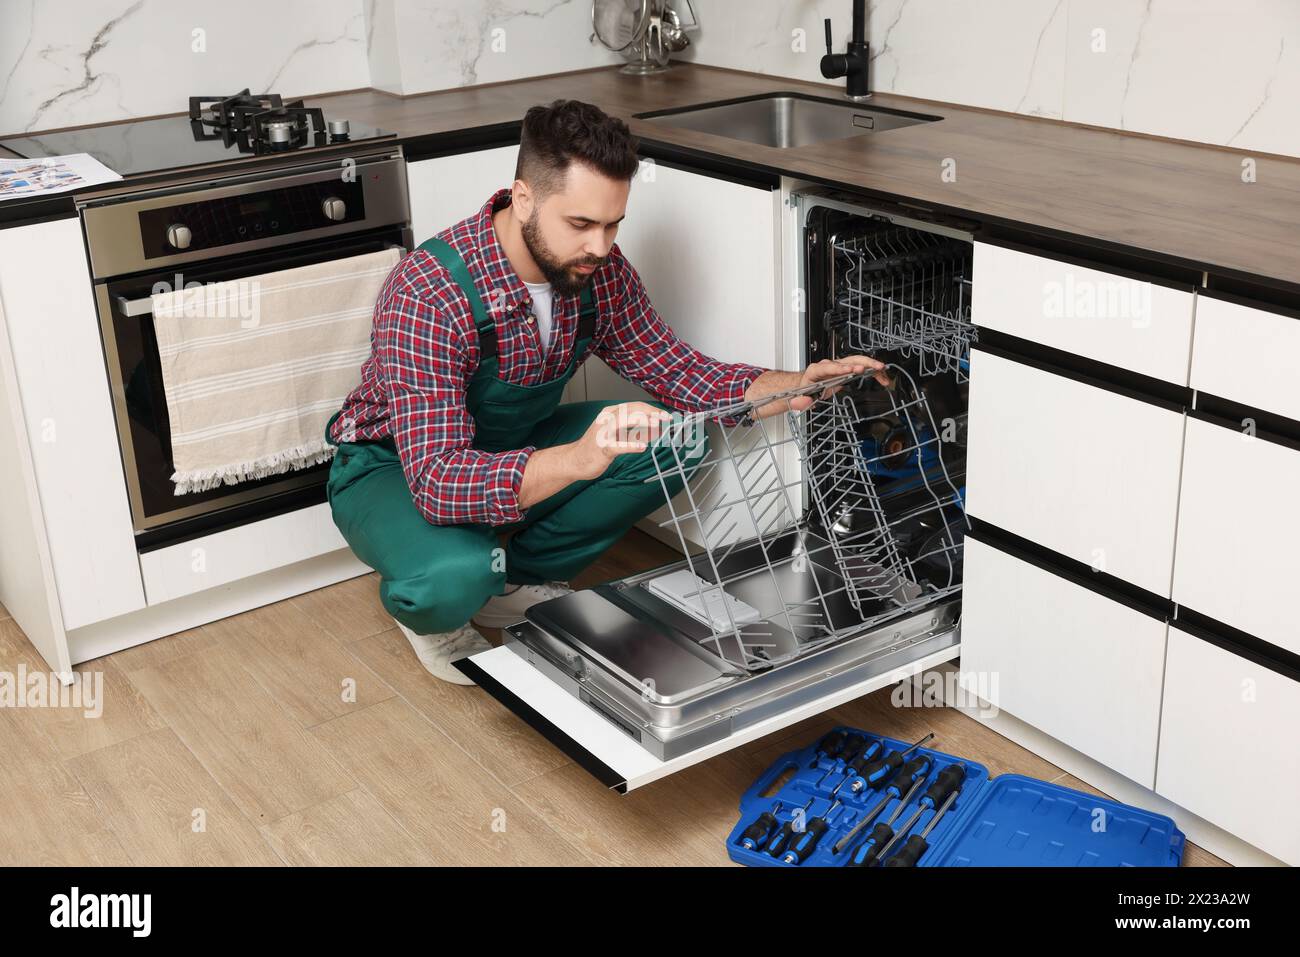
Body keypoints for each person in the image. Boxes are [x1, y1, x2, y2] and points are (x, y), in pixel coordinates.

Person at [324, 99, 887, 684]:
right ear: (523, 199)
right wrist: (579, 458)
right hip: (394, 466)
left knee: (679, 439)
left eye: (613, 223)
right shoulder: (430, 292)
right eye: (580, 224)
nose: (600, 245)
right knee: (451, 579)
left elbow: (673, 367)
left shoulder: (597, 269)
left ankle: (514, 575)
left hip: (508, 443)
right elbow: (438, 482)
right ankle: (442, 608)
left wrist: (793, 384)